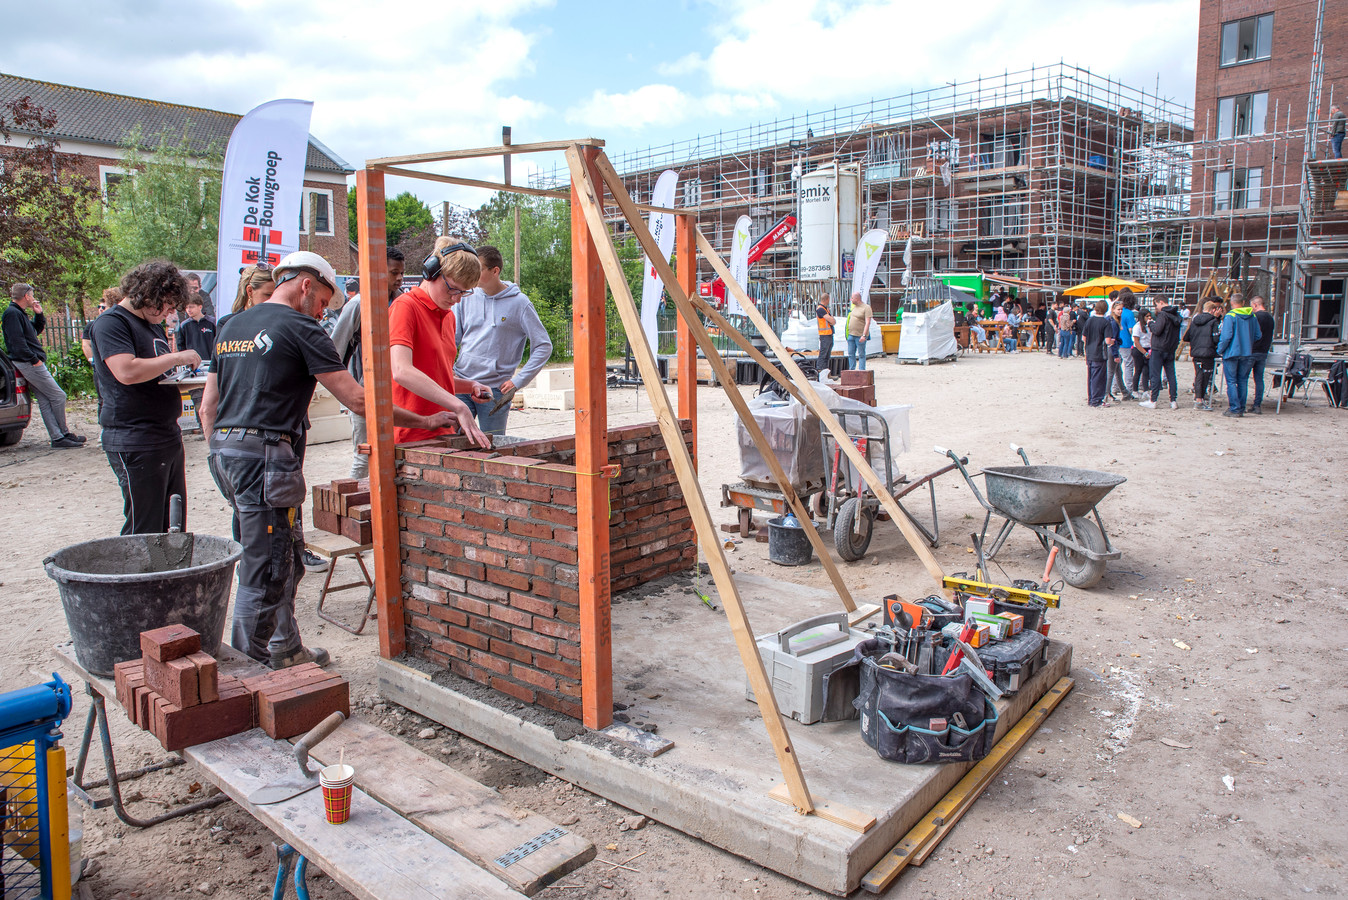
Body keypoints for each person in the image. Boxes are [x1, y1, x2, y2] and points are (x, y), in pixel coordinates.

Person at [199, 250, 474, 670]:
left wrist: (225, 453)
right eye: (325, 300)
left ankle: (285, 647)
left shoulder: (231, 325)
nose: (325, 309)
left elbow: (208, 407)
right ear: (307, 285)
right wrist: (425, 417)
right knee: (266, 569)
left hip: (226, 453)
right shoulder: (301, 326)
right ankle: (247, 674)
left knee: (283, 555)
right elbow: (360, 399)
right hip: (266, 458)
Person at [88, 261, 201, 534]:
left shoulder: (149, 323)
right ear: (148, 294)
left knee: (170, 522)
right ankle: (139, 577)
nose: (168, 313)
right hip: (135, 436)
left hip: (164, 433)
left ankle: (166, 575)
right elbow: (126, 371)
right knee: (145, 527)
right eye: (167, 305)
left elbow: (156, 372)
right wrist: (177, 357)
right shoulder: (111, 323)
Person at [389, 238, 492, 445]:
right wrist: (459, 405)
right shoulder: (405, 307)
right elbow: (401, 371)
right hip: (411, 437)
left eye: (463, 293)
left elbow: (436, 379)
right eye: (452, 289)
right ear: (431, 273)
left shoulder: (448, 316)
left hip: (443, 433)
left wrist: (470, 386)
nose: (456, 299)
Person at [453, 245, 553, 436]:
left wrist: (518, 381)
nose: (472, 273)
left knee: (493, 446)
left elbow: (543, 345)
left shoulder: (519, 303)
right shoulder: (467, 296)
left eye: (478, 269)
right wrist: (447, 367)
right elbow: (453, 336)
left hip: (495, 390)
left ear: (495, 271)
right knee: (453, 442)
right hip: (461, 383)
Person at [331, 248, 406, 477]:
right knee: (365, 457)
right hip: (364, 393)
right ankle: (359, 508)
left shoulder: (402, 302)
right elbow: (335, 350)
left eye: (402, 273)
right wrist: (349, 394)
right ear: (376, 271)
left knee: (395, 455)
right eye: (394, 272)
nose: (399, 278)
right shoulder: (358, 305)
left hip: (397, 391)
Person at [3, 283, 84, 449]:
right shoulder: (12, 314)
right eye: (32, 294)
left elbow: (32, 332)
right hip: (28, 363)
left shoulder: (19, 313)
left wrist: (39, 315)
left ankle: (58, 437)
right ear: (26, 296)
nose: (33, 298)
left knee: (45, 399)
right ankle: (62, 433)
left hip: (29, 362)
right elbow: (17, 342)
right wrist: (34, 360)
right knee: (58, 396)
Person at [1215, 296, 1261, 418]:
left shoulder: (1230, 316)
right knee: (1243, 381)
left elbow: (1226, 337)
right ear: (1244, 302)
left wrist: (1220, 350)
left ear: (1231, 303)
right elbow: (1258, 335)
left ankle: (1234, 408)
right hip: (1247, 353)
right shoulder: (1253, 316)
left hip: (1231, 353)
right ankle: (1241, 407)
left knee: (1231, 381)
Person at [1138, 296, 1183, 409]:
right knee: (1171, 374)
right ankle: (1173, 400)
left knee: (1155, 374)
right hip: (1171, 348)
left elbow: (1157, 330)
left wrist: (1150, 324)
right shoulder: (1177, 315)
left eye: (1156, 305)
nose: (1156, 308)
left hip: (1159, 348)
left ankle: (1153, 400)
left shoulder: (1163, 315)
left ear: (1161, 302)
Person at [1183, 300, 1222, 410]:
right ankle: (1200, 400)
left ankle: (1198, 399)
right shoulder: (1213, 322)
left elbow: (1186, 337)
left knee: (1199, 375)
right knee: (1205, 376)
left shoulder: (1195, 320)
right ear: (1213, 310)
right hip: (1208, 352)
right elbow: (1216, 339)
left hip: (1196, 352)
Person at [217, 264, 277, 331]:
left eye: (276, 295)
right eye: (268, 295)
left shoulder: (280, 324)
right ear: (250, 291)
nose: (273, 300)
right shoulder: (227, 324)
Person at [1082, 300, 1116, 407]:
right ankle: (1097, 400)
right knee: (1099, 378)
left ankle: (1091, 398)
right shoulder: (1106, 323)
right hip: (1100, 352)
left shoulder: (1089, 320)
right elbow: (1107, 340)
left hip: (1089, 351)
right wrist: (1112, 341)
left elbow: (1084, 338)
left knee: (1091, 377)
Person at [1249, 295, 1275, 414]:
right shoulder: (1270, 318)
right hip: (1264, 351)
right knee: (1259, 379)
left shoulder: (1255, 317)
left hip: (1252, 351)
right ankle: (1257, 404)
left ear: (1255, 304)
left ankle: (1239, 404)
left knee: (1243, 377)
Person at [175, 295, 216, 366]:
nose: (188, 310)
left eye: (191, 307)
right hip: (192, 365)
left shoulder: (213, 322)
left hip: (211, 364)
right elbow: (181, 346)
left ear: (200, 307)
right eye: (186, 307)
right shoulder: (184, 325)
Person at [82, 287, 119, 361]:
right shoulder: (91, 325)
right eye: (99, 307)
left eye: (103, 307)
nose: (100, 309)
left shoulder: (116, 323)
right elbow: (85, 345)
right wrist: (93, 361)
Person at [1117, 291, 1138, 399]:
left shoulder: (1117, 312)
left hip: (1116, 342)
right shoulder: (1129, 313)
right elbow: (1131, 329)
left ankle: (1115, 387)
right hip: (1126, 342)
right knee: (1129, 365)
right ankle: (1128, 389)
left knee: (1116, 366)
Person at [844, 292, 873, 370]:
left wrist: (864, 335)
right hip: (851, 335)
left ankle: (861, 371)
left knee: (861, 354)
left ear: (857, 298)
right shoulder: (854, 307)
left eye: (852, 298)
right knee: (851, 354)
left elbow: (868, 322)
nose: (851, 300)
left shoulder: (866, 308)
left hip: (860, 336)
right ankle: (852, 370)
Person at [1105, 300, 1127, 399]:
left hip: (1110, 348)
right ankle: (1106, 393)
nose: (1120, 311)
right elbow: (1113, 340)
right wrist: (1115, 354)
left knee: (1117, 371)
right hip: (1112, 349)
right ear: (1113, 309)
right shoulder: (1114, 323)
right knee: (1111, 372)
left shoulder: (1109, 320)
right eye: (1119, 309)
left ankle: (1124, 392)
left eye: (1121, 309)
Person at [1129, 310, 1152, 396]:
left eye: (1150, 316)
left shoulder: (1150, 326)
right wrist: (1144, 352)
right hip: (1139, 350)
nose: (1149, 318)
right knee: (1138, 370)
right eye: (1147, 316)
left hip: (1148, 348)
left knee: (1146, 370)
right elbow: (1136, 342)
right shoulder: (1137, 327)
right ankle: (1135, 390)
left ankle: (1146, 390)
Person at [815, 292, 835, 367]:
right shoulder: (820, 309)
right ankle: (820, 370)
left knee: (827, 355)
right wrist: (832, 320)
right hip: (824, 335)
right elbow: (832, 320)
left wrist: (832, 320)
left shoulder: (825, 309)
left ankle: (825, 372)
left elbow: (833, 321)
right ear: (827, 299)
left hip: (828, 334)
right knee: (823, 355)